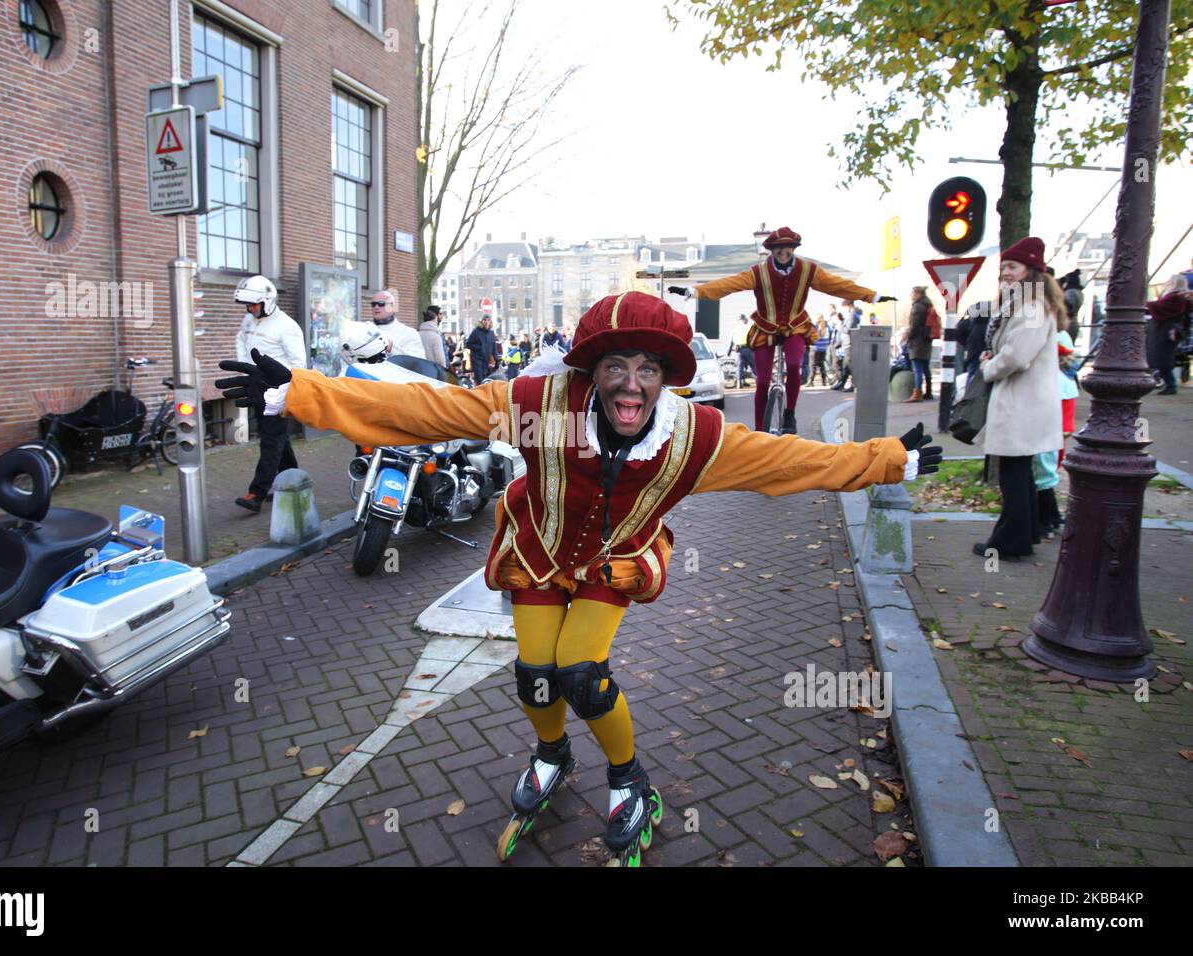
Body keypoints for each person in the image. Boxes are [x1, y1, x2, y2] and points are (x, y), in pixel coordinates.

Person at [215, 291, 942, 866]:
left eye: (649, 370)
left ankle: (629, 777)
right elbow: (433, 408)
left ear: (665, 378)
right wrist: (308, 393)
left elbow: (793, 463)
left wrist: (886, 459)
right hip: (537, 551)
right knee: (534, 673)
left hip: (613, 561)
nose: (632, 386)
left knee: (581, 672)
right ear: (592, 372)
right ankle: (552, 753)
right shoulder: (538, 407)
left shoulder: (695, 439)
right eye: (617, 367)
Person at [670, 227, 893, 434]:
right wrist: (695, 291)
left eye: (786, 248)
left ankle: (789, 414)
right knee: (763, 381)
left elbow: (838, 285)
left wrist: (871, 296)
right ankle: (759, 430)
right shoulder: (758, 272)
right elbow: (729, 284)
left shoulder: (808, 270)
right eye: (777, 249)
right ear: (772, 250)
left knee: (795, 365)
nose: (782, 253)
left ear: (793, 249)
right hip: (765, 328)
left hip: (795, 326)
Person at [974, 237, 1065, 560]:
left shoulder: (1029, 306)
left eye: (1011, 267)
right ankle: (1024, 536)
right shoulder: (1030, 303)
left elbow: (1017, 356)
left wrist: (989, 366)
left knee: (1013, 473)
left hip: (1021, 402)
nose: (1006, 274)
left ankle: (1009, 542)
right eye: (1003, 269)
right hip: (1026, 400)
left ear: (1031, 270)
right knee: (1020, 471)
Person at [232, 274, 307, 513]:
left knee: (270, 439)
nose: (250, 309)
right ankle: (293, 480)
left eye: (254, 304)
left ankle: (257, 492)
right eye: (248, 305)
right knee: (276, 438)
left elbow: (298, 363)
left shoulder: (287, 327)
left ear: (268, 301)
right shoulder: (249, 320)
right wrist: (246, 370)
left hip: (278, 390)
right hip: (257, 386)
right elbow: (241, 341)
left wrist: (289, 391)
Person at [1147, 292, 1186, 395]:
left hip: (1165, 331)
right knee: (1162, 360)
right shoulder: (1177, 297)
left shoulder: (1175, 297)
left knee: (1163, 361)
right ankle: (1170, 385)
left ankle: (1171, 385)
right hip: (1164, 331)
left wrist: (1148, 304)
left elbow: (1161, 307)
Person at [370, 289, 426, 358]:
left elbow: (418, 362)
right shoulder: (364, 330)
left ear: (392, 306)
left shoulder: (409, 333)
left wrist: (391, 348)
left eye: (381, 303)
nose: (376, 307)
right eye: (373, 304)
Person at [905, 286, 934, 402]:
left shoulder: (918, 307)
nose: (911, 295)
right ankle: (928, 392)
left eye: (912, 293)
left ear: (918, 294)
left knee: (917, 368)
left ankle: (917, 393)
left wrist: (908, 337)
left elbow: (915, 325)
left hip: (918, 341)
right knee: (926, 367)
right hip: (926, 340)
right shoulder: (928, 305)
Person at [467, 314, 498, 384]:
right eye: (485, 320)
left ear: (490, 322)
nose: (486, 322)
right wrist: (480, 347)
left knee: (485, 381)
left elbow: (494, 348)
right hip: (476, 360)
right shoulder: (476, 332)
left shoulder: (491, 333)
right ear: (481, 322)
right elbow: (468, 344)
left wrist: (497, 360)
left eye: (488, 320)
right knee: (480, 381)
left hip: (486, 361)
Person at [729, 314, 755, 387]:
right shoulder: (749, 327)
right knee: (753, 365)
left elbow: (731, 340)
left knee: (739, 367)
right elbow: (753, 337)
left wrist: (728, 351)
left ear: (740, 321)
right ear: (745, 320)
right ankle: (760, 380)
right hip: (748, 349)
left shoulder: (735, 328)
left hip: (738, 350)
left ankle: (739, 383)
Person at [811, 314, 830, 386]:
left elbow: (814, 336)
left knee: (813, 364)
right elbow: (829, 336)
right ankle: (824, 381)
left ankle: (811, 381)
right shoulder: (827, 326)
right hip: (824, 347)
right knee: (821, 364)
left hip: (817, 347)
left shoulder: (816, 326)